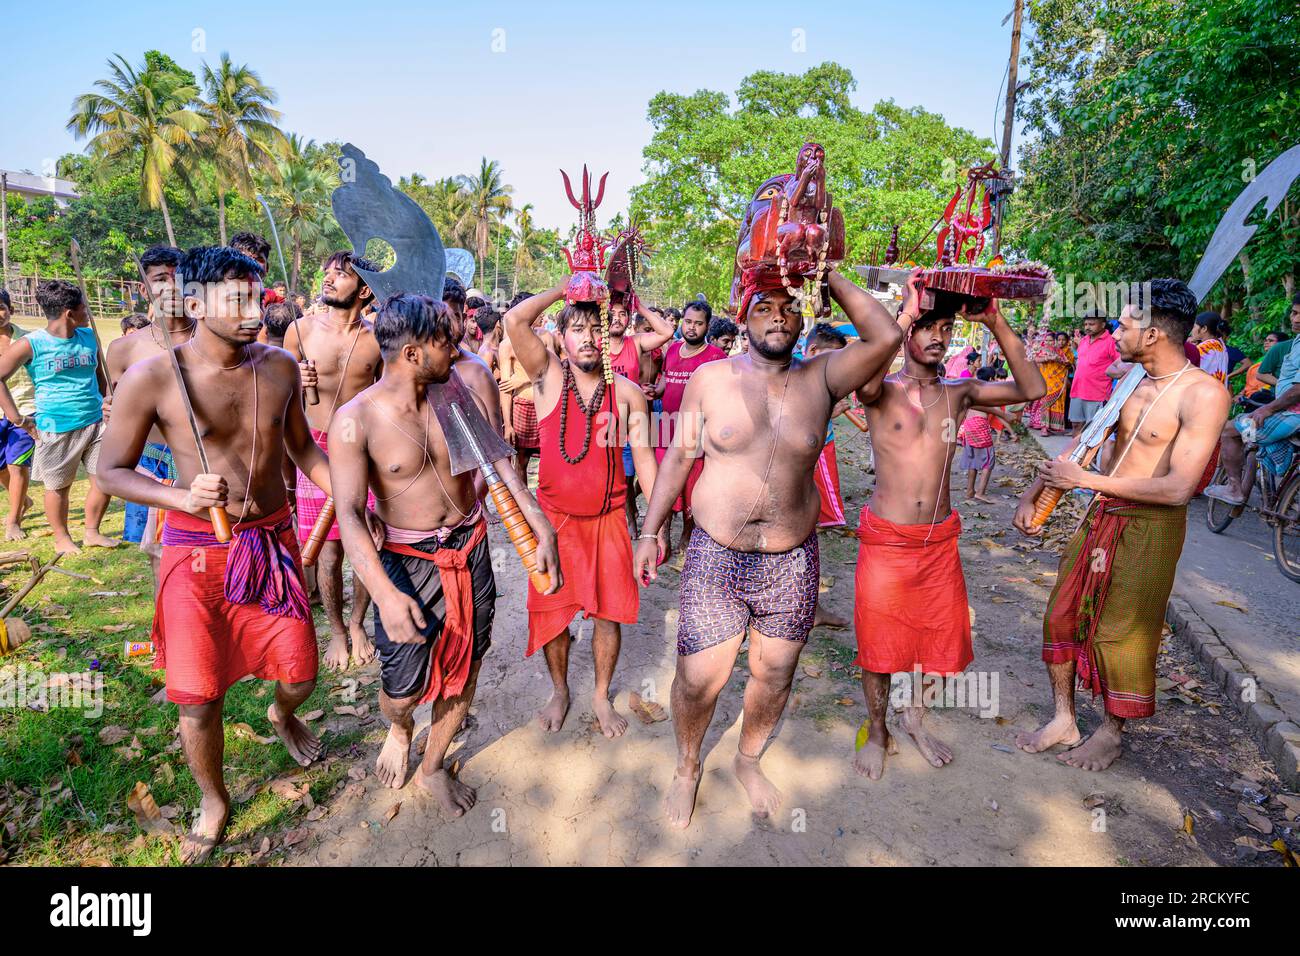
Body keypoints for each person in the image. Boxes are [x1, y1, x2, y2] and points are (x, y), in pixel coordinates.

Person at [633, 269, 902, 828]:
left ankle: (748, 759)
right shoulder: (711, 378)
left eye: (788, 306)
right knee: (699, 678)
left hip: (791, 559)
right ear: (744, 315)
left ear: (803, 316)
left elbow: (885, 339)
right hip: (715, 554)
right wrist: (650, 529)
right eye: (764, 307)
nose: (778, 315)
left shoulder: (822, 376)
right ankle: (687, 767)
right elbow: (680, 459)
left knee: (774, 674)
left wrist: (827, 271)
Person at [96, 245, 331, 862]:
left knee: (301, 673)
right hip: (196, 550)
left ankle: (283, 717)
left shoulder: (280, 366)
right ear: (195, 303)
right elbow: (110, 471)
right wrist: (179, 494)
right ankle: (215, 797)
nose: (256, 309)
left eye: (259, 296)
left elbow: (303, 451)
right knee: (199, 696)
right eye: (239, 298)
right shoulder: (154, 375)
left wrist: (354, 495)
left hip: (272, 541)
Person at [329, 293, 559, 808]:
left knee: (470, 661)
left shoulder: (452, 392)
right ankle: (400, 727)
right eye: (441, 339)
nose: (454, 345)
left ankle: (432, 767)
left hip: (470, 547)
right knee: (402, 687)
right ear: (411, 354)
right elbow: (348, 513)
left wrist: (539, 523)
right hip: (406, 565)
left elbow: (499, 462)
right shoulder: (355, 419)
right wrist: (385, 595)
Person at [1013, 279, 1228, 771]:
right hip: (1102, 515)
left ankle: (1111, 733)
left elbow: (1178, 488)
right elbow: (1087, 441)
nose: (1116, 331)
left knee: (1123, 633)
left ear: (1152, 334)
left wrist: (1085, 480)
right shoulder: (1130, 381)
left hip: (1152, 527)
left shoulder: (1203, 395)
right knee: (1061, 615)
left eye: (1126, 324)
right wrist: (1035, 489)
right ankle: (1064, 718)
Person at [851, 276, 1045, 781]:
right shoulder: (881, 391)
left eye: (946, 327)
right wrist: (907, 311)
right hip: (887, 540)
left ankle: (914, 716)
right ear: (910, 330)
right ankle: (877, 730)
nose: (938, 336)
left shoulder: (960, 394)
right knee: (878, 644)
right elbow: (866, 373)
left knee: (946, 636)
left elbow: (1033, 389)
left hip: (938, 540)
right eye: (928, 327)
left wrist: (994, 320)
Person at [504, 281, 660, 739]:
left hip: (611, 523)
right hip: (553, 526)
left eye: (596, 327)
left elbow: (646, 460)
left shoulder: (628, 393)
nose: (589, 337)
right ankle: (559, 690)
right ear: (561, 337)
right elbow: (514, 321)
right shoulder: (547, 376)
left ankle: (599, 694)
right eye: (577, 329)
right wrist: (560, 288)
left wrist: (654, 528)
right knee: (552, 612)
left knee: (609, 615)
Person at [283, 251, 382, 671]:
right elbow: (281, 398)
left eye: (340, 274)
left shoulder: (377, 338)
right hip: (315, 448)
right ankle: (337, 632)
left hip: (362, 447)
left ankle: (359, 623)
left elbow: (384, 395)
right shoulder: (299, 331)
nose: (329, 279)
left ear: (363, 290)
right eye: (328, 272)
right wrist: (295, 380)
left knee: (366, 545)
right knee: (328, 553)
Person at [0, 279, 117, 554]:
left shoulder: (89, 336)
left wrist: (106, 399)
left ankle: (92, 532)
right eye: (83, 308)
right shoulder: (32, 344)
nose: (87, 312)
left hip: (96, 422)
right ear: (69, 313)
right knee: (59, 487)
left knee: (103, 479)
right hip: (56, 426)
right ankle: (62, 538)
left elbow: (99, 373)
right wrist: (17, 418)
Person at [105, 245, 189, 583]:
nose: (170, 287)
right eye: (159, 280)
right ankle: (167, 634)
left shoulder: (215, 339)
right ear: (144, 289)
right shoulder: (124, 349)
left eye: (178, 278)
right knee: (160, 555)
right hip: (152, 460)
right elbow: (115, 406)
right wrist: (111, 409)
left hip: (206, 459)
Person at [644, 300, 727, 556]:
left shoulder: (716, 357)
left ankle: (688, 534)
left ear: (707, 326)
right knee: (664, 484)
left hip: (696, 433)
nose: (691, 328)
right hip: (666, 428)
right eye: (688, 322)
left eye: (698, 323)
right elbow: (666, 382)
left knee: (692, 489)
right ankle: (663, 536)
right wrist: (653, 391)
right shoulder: (672, 350)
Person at [1205, 295, 1300, 505]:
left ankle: (1234, 488)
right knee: (1250, 430)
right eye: (1293, 313)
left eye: (1296, 313)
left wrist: (1268, 409)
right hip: (1285, 409)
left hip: (1292, 413)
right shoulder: (1295, 343)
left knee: (1230, 430)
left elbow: (1297, 390)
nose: (1294, 318)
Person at [605, 294, 675, 533]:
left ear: (629, 320)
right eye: (612, 314)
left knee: (647, 474)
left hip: (637, 423)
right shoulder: (597, 345)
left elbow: (666, 332)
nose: (617, 318)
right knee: (622, 479)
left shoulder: (634, 343)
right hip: (607, 426)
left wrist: (639, 305)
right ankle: (631, 515)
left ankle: (655, 528)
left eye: (622, 314)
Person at [0, 290, 35, 539]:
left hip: (26, 410)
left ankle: (14, 520)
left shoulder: (30, 340)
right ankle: (22, 499)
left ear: (10, 308)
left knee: (17, 465)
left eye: (1, 307)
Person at [958, 368, 1015, 502]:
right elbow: (997, 413)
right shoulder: (987, 394)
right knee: (988, 462)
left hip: (969, 427)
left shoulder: (973, 391)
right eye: (994, 378)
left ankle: (970, 490)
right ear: (990, 380)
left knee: (973, 460)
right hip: (980, 427)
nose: (995, 380)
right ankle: (981, 492)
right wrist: (1009, 423)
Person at [1069, 310, 1119, 436]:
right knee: (1076, 424)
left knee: (1092, 429)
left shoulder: (1111, 342)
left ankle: (1090, 456)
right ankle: (1074, 454)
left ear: (1102, 325)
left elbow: (1120, 364)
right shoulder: (1084, 340)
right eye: (1085, 324)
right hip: (1077, 390)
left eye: (1091, 324)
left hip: (1098, 393)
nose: (1087, 327)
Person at [1025, 329, 1073, 435]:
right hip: (1045, 380)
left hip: (1059, 381)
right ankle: (1044, 427)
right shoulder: (1043, 349)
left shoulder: (1064, 351)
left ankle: (1053, 426)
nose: (1048, 343)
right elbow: (1034, 359)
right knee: (1045, 402)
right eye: (1047, 340)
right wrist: (1047, 358)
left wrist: (1058, 359)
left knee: (1056, 403)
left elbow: (1069, 364)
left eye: (1051, 341)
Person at [1191, 311, 1230, 383]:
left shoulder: (1205, 347)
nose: (1192, 330)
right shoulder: (1220, 344)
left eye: (1194, 326)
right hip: (1217, 390)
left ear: (1204, 328)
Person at [475, 307, 504, 380]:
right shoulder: (487, 351)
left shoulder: (492, 348)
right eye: (502, 321)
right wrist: (500, 375)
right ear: (498, 324)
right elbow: (482, 382)